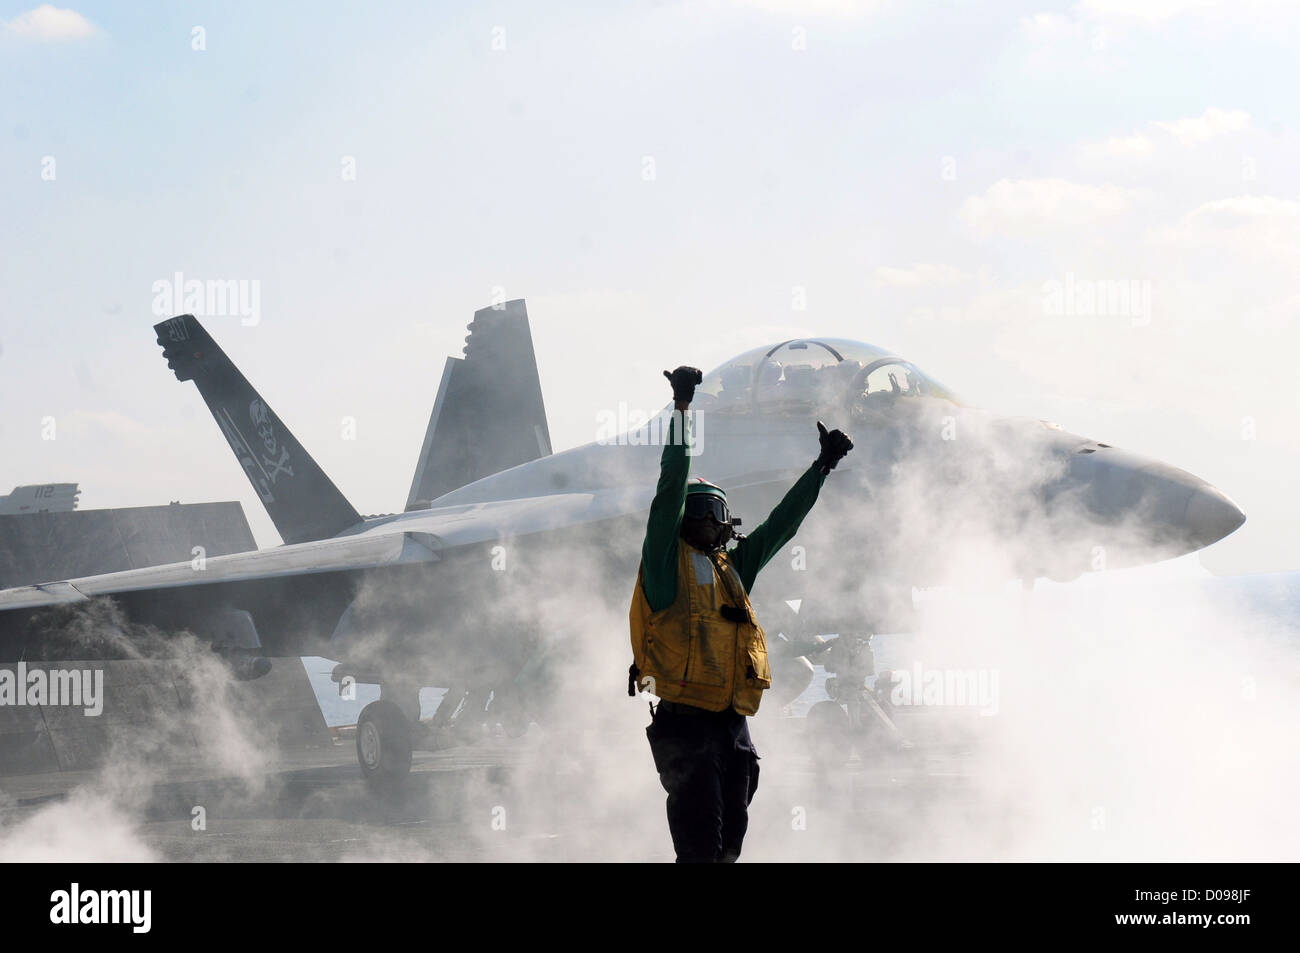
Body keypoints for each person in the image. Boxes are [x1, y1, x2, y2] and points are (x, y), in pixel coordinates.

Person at [629, 364, 854, 862]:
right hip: (686, 728)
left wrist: (821, 469)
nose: (707, 520)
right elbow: (670, 489)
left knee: (730, 848)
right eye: (697, 512)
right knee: (701, 851)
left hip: (734, 729)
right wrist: (682, 409)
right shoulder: (666, 567)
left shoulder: (735, 569)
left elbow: (781, 526)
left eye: (715, 511)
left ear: (727, 521)